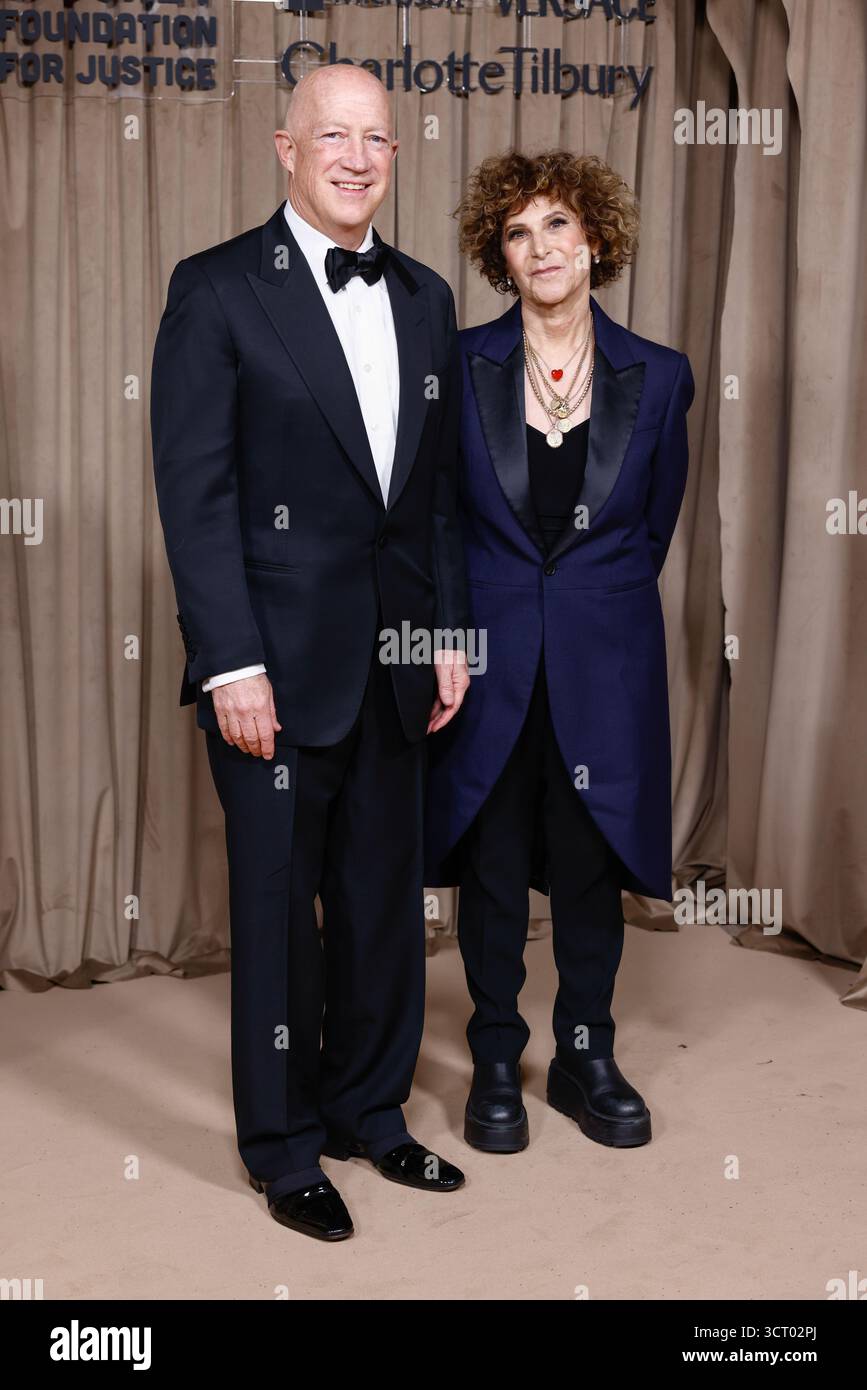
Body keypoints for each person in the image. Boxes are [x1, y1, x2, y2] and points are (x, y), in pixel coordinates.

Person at [151, 65, 470, 1242]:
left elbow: (434, 498)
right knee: (282, 915)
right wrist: (231, 661)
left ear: (396, 153)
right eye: (332, 135)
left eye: (375, 137)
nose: (355, 156)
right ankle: (284, 1149)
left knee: (385, 905)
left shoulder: (429, 297)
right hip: (272, 674)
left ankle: (372, 1113)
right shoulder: (220, 288)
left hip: (395, 662)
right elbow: (196, 494)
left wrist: (445, 636)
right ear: (286, 146)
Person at [425, 150, 695, 1155]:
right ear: (502, 256)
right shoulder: (456, 366)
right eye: (518, 232)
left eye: (559, 227)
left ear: (595, 243)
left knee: (588, 864)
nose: (540, 247)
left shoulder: (661, 376)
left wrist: (588, 606)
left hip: (605, 659)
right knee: (492, 863)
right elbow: (439, 519)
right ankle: (497, 1053)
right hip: (488, 660)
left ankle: (586, 1054)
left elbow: (650, 528)